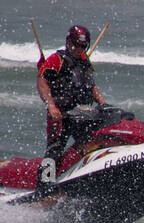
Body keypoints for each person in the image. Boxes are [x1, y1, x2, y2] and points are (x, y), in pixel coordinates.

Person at [37, 25, 106, 161]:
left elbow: (91, 86)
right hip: (61, 114)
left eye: (83, 46)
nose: (79, 49)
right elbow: (42, 82)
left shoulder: (84, 61)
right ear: (68, 43)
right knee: (54, 151)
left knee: (92, 142)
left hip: (81, 113)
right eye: (76, 45)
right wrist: (51, 106)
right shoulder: (56, 59)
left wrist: (104, 104)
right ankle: (45, 180)